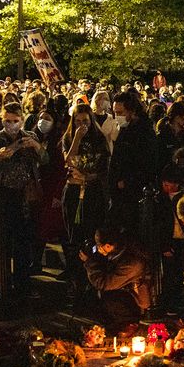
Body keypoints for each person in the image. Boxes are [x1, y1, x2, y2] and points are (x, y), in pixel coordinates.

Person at [0, 102, 48, 296]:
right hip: (1, 195)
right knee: (1, 241)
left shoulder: (30, 137)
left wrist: (36, 146)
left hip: (25, 196)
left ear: (22, 121)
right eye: (7, 121)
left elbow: (45, 160)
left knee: (23, 242)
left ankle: (22, 285)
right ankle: (1, 285)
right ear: (2, 120)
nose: (11, 125)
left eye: (15, 121)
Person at [62, 103, 111, 293]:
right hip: (74, 192)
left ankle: (93, 278)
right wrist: (76, 138)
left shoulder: (99, 139)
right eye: (78, 121)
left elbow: (104, 169)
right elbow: (68, 160)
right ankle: (76, 280)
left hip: (93, 193)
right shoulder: (69, 138)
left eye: (85, 120)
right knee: (74, 235)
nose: (82, 124)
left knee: (91, 235)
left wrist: (88, 177)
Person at [81, 226, 152, 329]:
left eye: (100, 246)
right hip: (127, 289)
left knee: (107, 298)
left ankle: (128, 323)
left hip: (138, 301)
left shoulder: (132, 263)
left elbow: (103, 283)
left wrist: (89, 262)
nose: (98, 249)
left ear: (109, 246)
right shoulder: (121, 247)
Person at [110, 91, 159, 225]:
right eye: (115, 112)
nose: (117, 116)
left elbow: (148, 164)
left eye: (120, 113)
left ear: (132, 111)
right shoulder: (126, 129)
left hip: (135, 194)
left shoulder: (144, 133)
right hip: (122, 193)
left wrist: (127, 181)